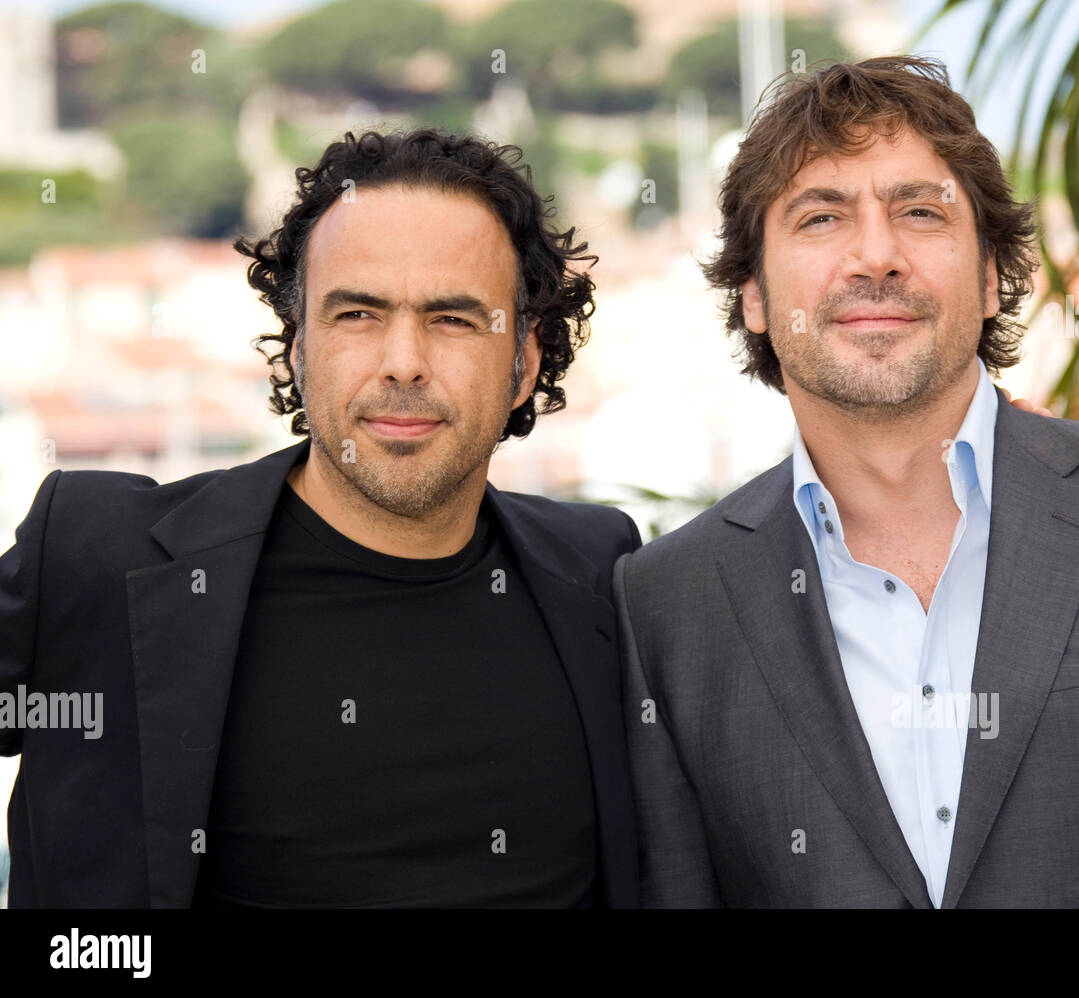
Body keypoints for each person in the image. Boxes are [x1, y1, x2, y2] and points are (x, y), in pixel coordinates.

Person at [614, 56, 1079, 907]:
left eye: (920, 211)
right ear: (752, 293)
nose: (877, 256)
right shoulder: (668, 603)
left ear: (988, 276)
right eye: (821, 216)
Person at [0, 129, 640, 908]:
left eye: (454, 319)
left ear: (525, 365)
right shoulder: (98, 557)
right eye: (358, 315)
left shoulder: (602, 574)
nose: (402, 361)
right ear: (298, 350)